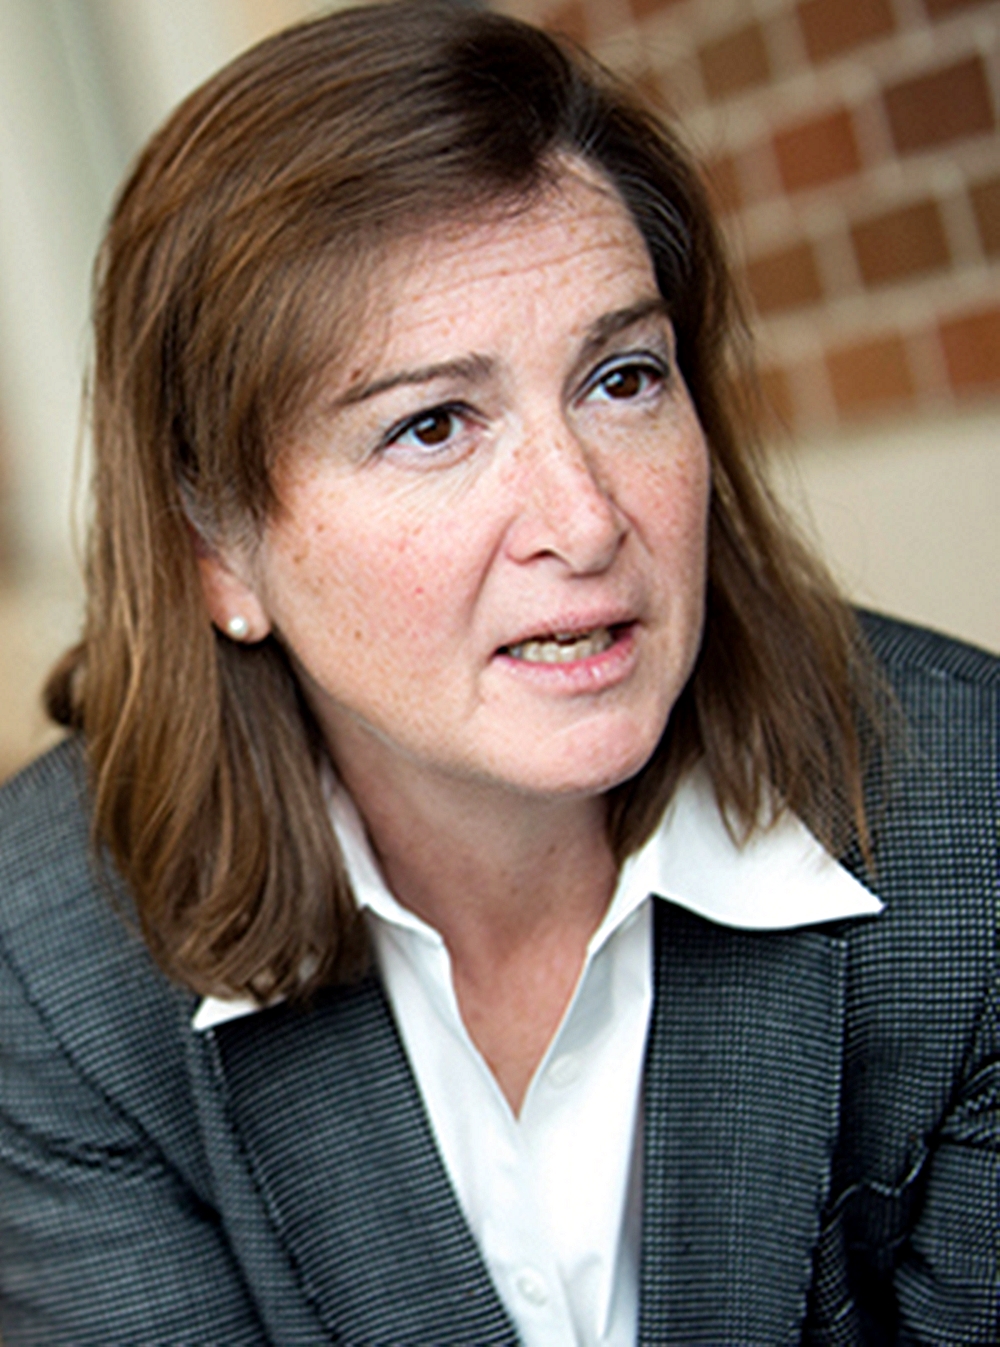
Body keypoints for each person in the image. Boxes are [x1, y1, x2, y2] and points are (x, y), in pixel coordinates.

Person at [0, 2, 996, 1342]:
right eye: (431, 426)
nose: (584, 522)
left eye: (622, 379)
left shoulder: (974, 832)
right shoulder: (46, 964)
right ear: (216, 553)